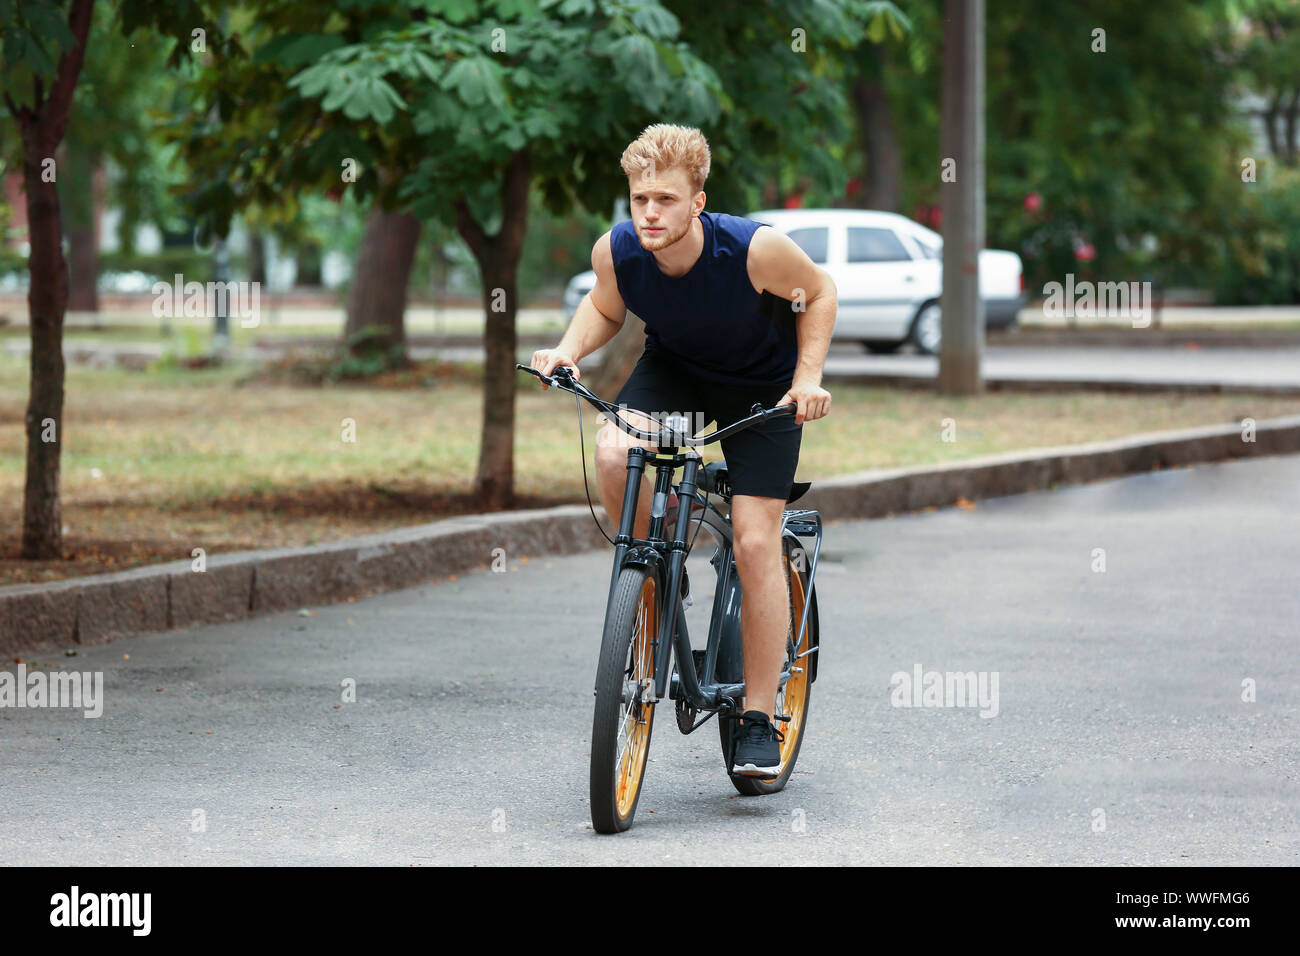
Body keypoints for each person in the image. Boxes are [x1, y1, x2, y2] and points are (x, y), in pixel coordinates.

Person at [530, 123, 835, 778]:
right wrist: (567, 351)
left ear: (698, 202)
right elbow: (606, 308)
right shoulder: (619, 252)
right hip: (677, 373)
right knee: (613, 452)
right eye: (640, 199)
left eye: (665, 199)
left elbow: (821, 294)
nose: (650, 213)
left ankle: (757, 717)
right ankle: (658, 572)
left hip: (763, 391)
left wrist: (807, 379)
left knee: (755, 542)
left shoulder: (754, 251)